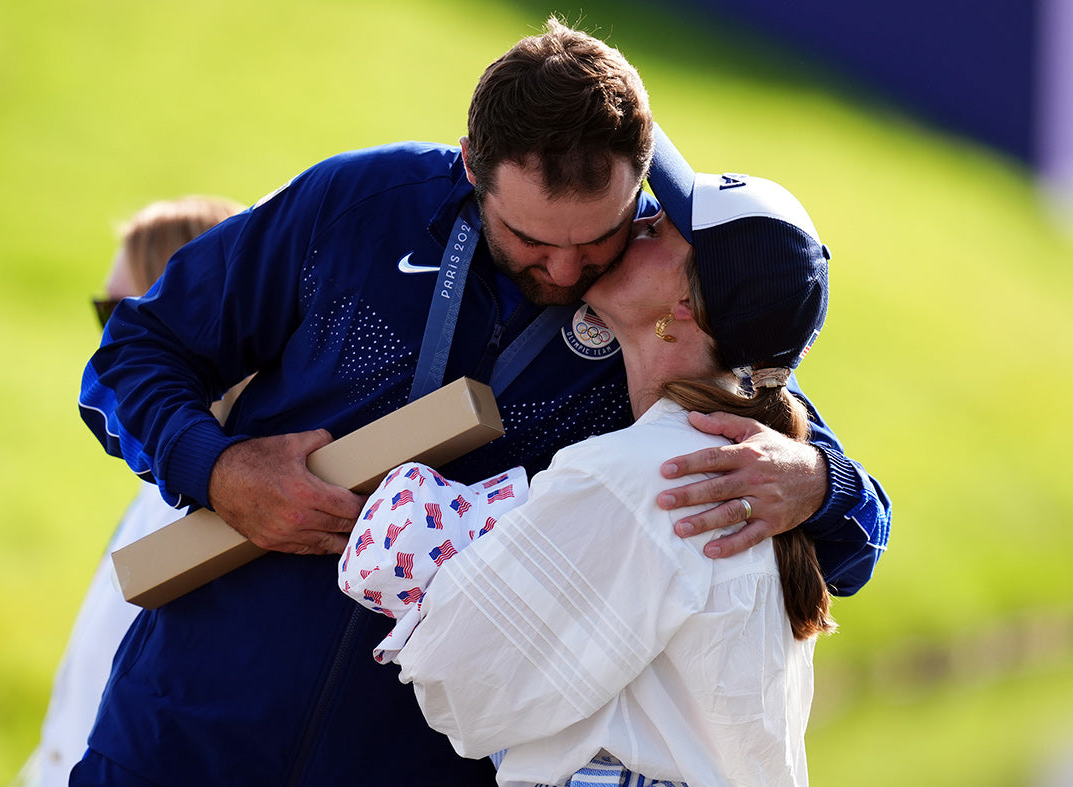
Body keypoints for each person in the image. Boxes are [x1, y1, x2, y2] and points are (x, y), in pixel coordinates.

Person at [73, 18, 889, 786]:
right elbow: (132, 354)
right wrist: (213, 470)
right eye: (531, 239)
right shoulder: (357, 203)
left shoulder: (671, 297)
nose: (566, 273)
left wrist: (819, 483)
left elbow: (849, 535)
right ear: (470, 166)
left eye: (595, 239)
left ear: (639, 188)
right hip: (179, 735)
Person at [339, 139, 837, 786]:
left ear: (682, 308)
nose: (637, 224)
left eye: (660, 228)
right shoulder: (732, 469)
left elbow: (459, 686)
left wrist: (427, 538)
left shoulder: (640, 473)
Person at [18, 197, 243, 787]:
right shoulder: (168, 478)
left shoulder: (223, 495)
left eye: (122, 312)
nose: (112, 345)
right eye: (106, 314)